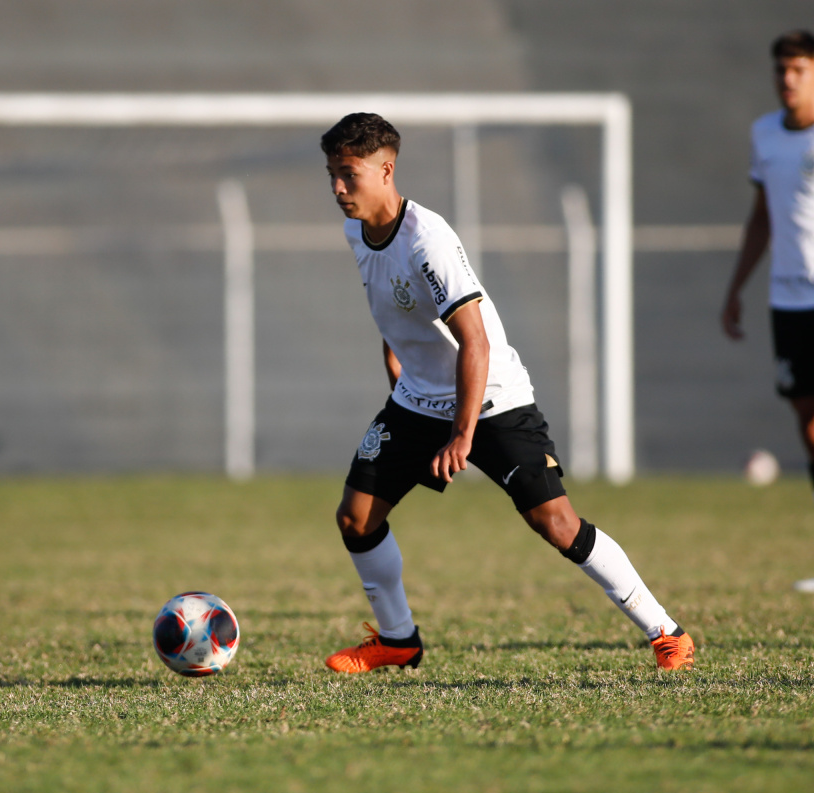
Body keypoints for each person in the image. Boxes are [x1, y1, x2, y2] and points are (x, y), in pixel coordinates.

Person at [319, 112, 695, 672]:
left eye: (348, 174)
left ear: (386, 169)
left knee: (556, 524)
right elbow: (393, 310)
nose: (337, 187)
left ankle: (667, 632)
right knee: (356, 518)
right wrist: (396, 366)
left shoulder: (429, 239)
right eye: (331, 173)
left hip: (492, 397)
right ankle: (399, 640)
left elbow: (475, 341)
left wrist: (462, 435)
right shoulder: (357, 229)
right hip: (417, 400)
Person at [720, 30, 814, 593]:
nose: (788, 79)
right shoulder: (764, 134)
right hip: (787, 299)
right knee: (807, 426)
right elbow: (762, 218)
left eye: (799, 70)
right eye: (782, 69)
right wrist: (736, 287)